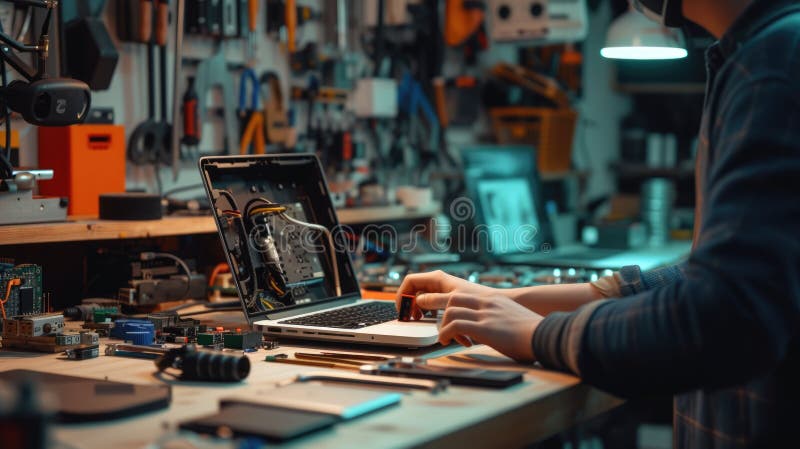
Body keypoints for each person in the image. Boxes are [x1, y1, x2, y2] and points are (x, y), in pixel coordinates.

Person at [396, 1, 800, 447]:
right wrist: (507, 300)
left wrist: (537, 334)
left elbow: (727, 317)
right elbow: (707, 276)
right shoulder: (761, 53)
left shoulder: (773, 68)